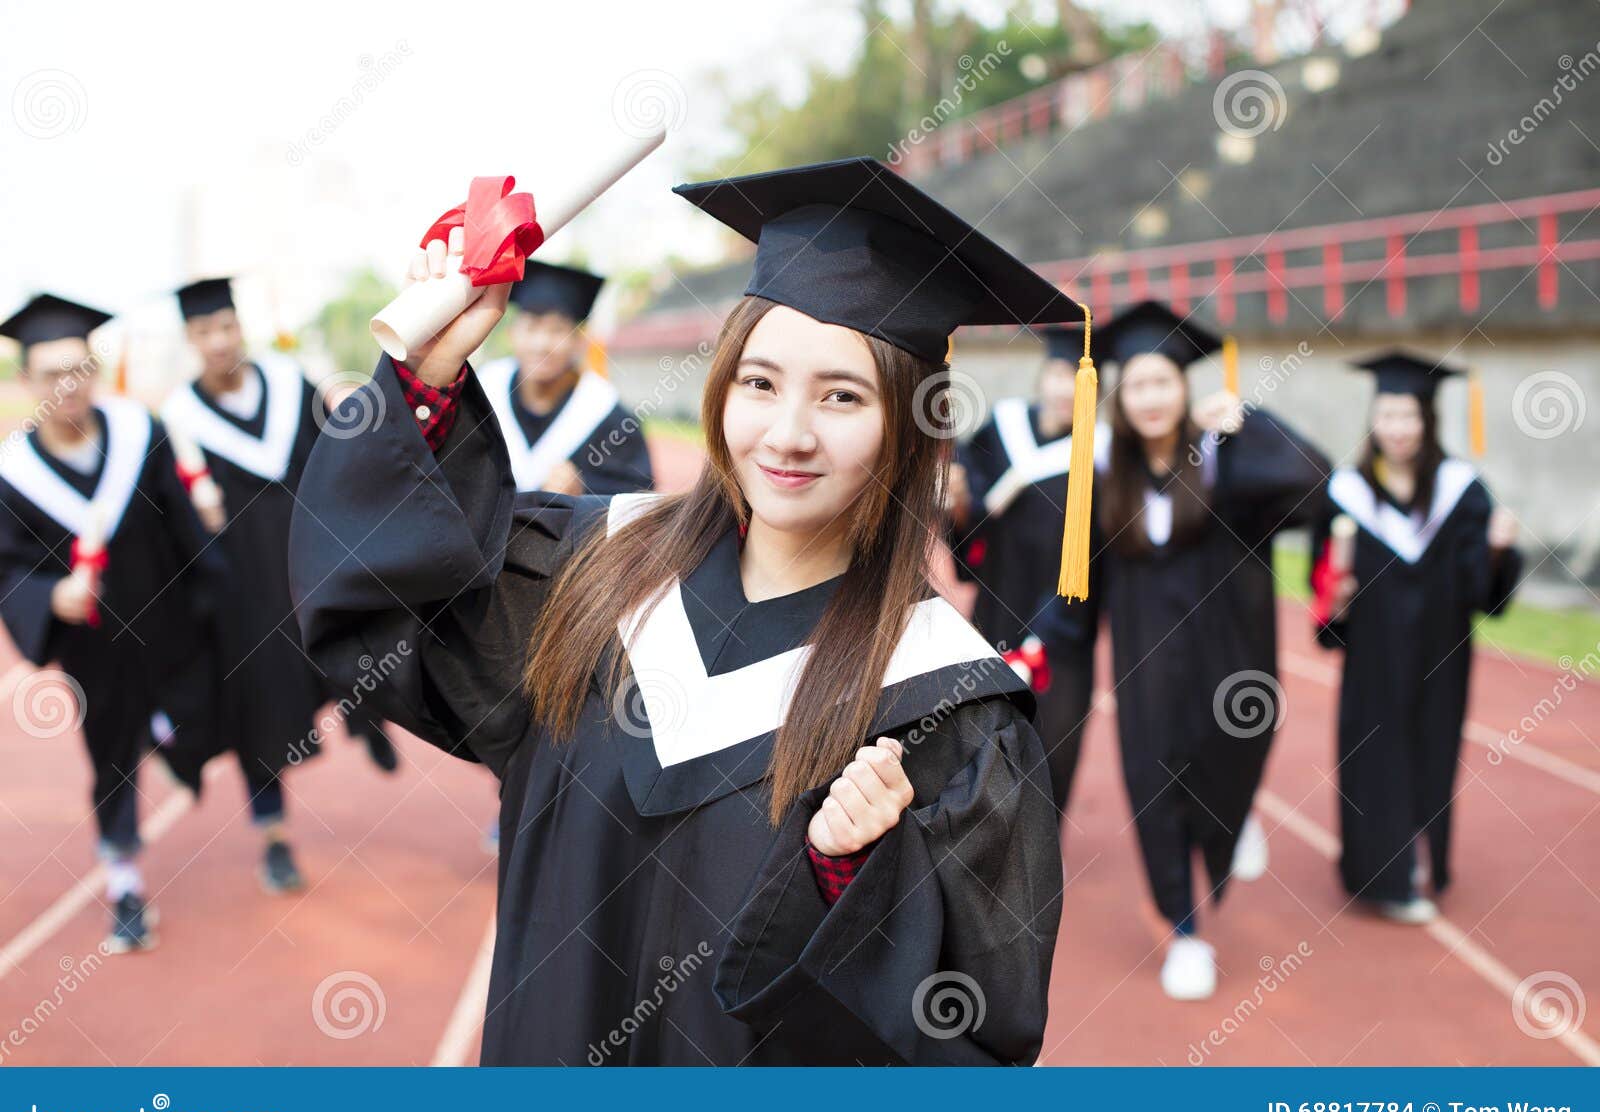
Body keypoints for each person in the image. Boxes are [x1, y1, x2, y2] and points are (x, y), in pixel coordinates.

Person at [289, 157, 1068, 1064]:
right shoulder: (588, 570)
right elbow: (380, 615)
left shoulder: (945, 712)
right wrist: (425, 381)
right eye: (760, 382)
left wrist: (854, 883)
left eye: (843, 396)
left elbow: (978, 1035)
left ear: (910, 425)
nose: (788, 433)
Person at [1044, 300, 1328, 1001]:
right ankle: (1186, 929)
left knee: (1228, 767)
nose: (1149, 398)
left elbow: (1317, 483)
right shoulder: (1104, 474)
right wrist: (1040, 641)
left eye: (1163, 382)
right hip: (1146, 668)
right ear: (1119, 394)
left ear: (1185, 388)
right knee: (1153, 784)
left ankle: (1233, 821)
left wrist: (1251, 423)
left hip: (1232, 664)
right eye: (1136, 385)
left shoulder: (1227, 462)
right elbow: (1079, 581)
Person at [0, 294, 222, 951]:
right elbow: (6, 569)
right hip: (96, 648)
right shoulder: (13, 475)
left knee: (198, 718)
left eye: (79, 368)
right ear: (25, 383)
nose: (68, 386)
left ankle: (178, 744)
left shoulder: (139, 434)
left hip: (171, 627)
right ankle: (124, 882)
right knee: (112, 759)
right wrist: (47, 597)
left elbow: (185, 527)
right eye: (50, 374)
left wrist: (218, 562)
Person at [162, 276, 398, 893]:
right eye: (203, 331)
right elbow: (170, 510)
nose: (217, 341)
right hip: (244, 589)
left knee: (360, 644)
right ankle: (274, 837)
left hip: (311, 562)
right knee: (258, 709)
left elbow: (342, 458)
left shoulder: (291, 385)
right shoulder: (179, 419)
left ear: (240, 327)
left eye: (225, 327)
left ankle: (371, 719)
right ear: (190, 339)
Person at [1312, 351, 1520, 923]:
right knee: (1372, 756)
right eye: (1387, 415)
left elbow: (1483, 591)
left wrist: (1500, 549)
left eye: (1409, 416)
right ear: (1373, 420)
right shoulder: (1346, 493)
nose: (1397, 428)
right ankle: (1374, 872)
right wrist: (1336, 597)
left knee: (1431, 753)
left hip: (1442, 654)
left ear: (1428, 421)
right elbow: (1325, 593)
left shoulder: (1461, 491)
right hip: (1373, 659)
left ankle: (1424, 863)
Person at [947, 326, 1106, 813]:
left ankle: (1037, 866)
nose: (1064, 389)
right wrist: (957, 505)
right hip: (997, 614)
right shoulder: (1002, 428)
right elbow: (971, 527)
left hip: (1064, 635)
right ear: (1043, 376)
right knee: (978, 753)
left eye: (1077, 382)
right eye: (1058, 374)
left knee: (1051, 760)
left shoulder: (1105, 455)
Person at [475, 260, 654, 497]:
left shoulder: (612, 419)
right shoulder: (481, 395)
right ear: (512, 334)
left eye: (557, 330)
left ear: (579, 341)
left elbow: (636, 506)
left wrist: (582, 496)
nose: (542, 344)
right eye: (531, 327)